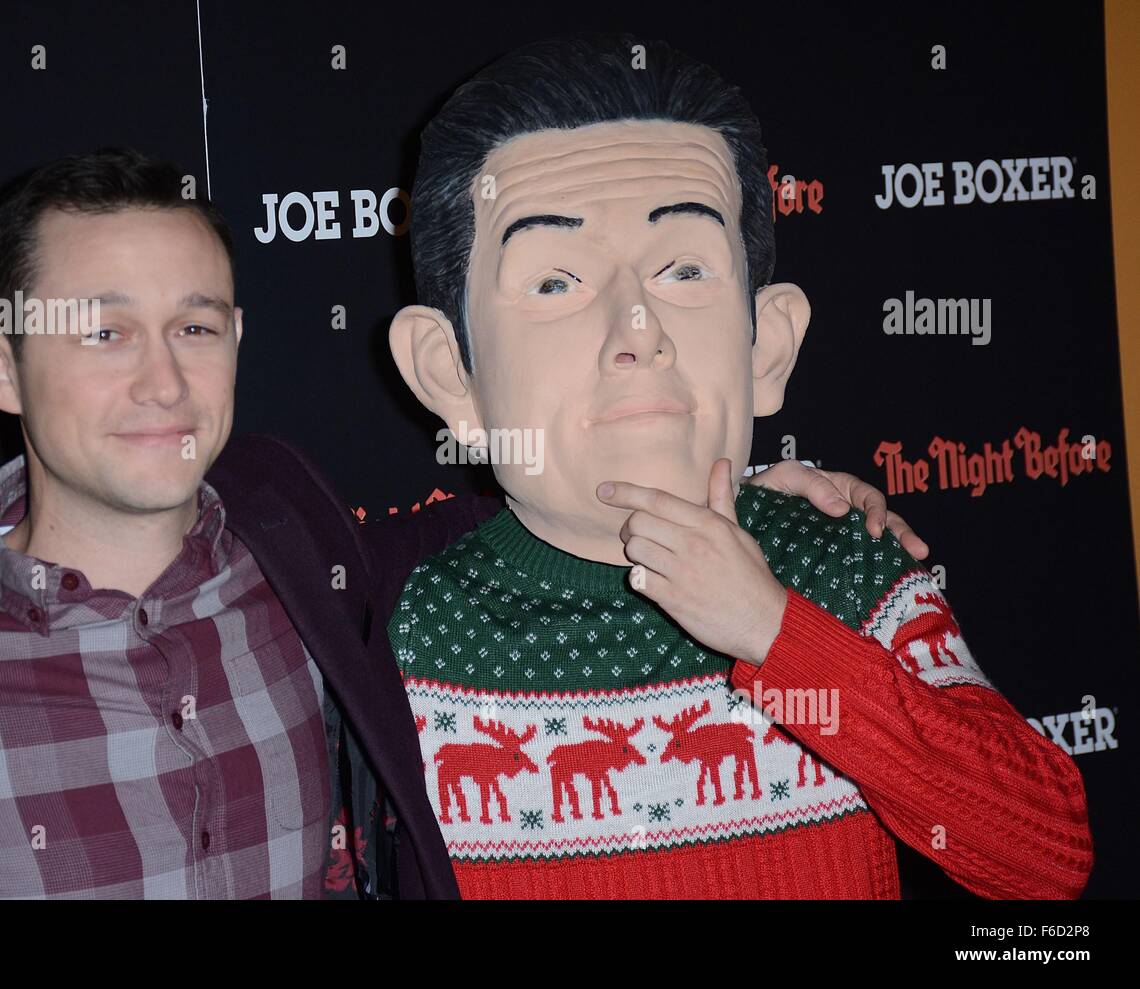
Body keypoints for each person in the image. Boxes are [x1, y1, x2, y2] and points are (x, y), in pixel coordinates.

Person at [0, 147, 907, 899]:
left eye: (194, 326)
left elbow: (529, 510)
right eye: (102, 331)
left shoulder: (305, 545)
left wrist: (737, 477)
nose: (161, 379)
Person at [382, 32, 1094, 898]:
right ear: (448, 371)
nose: (636, 332)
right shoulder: (399, 636)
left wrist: (778, 633)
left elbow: (1045, 857)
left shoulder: (843, 567)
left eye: (683, 269)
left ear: (769, 346)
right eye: (555, 283)